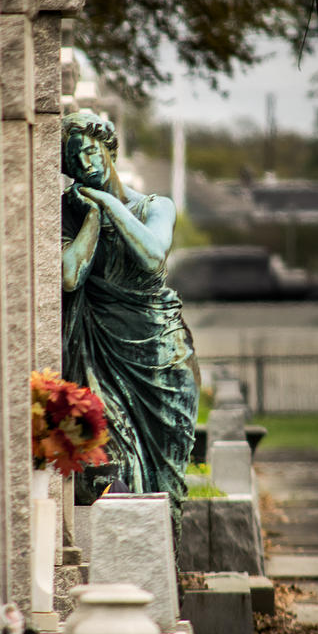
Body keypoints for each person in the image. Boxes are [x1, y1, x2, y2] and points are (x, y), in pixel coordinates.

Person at [61, 110, 200, 548]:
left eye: (91, 149)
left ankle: (162, 579)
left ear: (109, 148)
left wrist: (107, 203)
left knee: (167, 484)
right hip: (99, 355)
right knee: (110, 467)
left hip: (161, 358)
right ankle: (126, 571)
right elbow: (69, 276)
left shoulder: (156, 206)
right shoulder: (68, 214)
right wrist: (91, 219)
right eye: (75, 157)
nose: (86, 162)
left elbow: (153, 254)